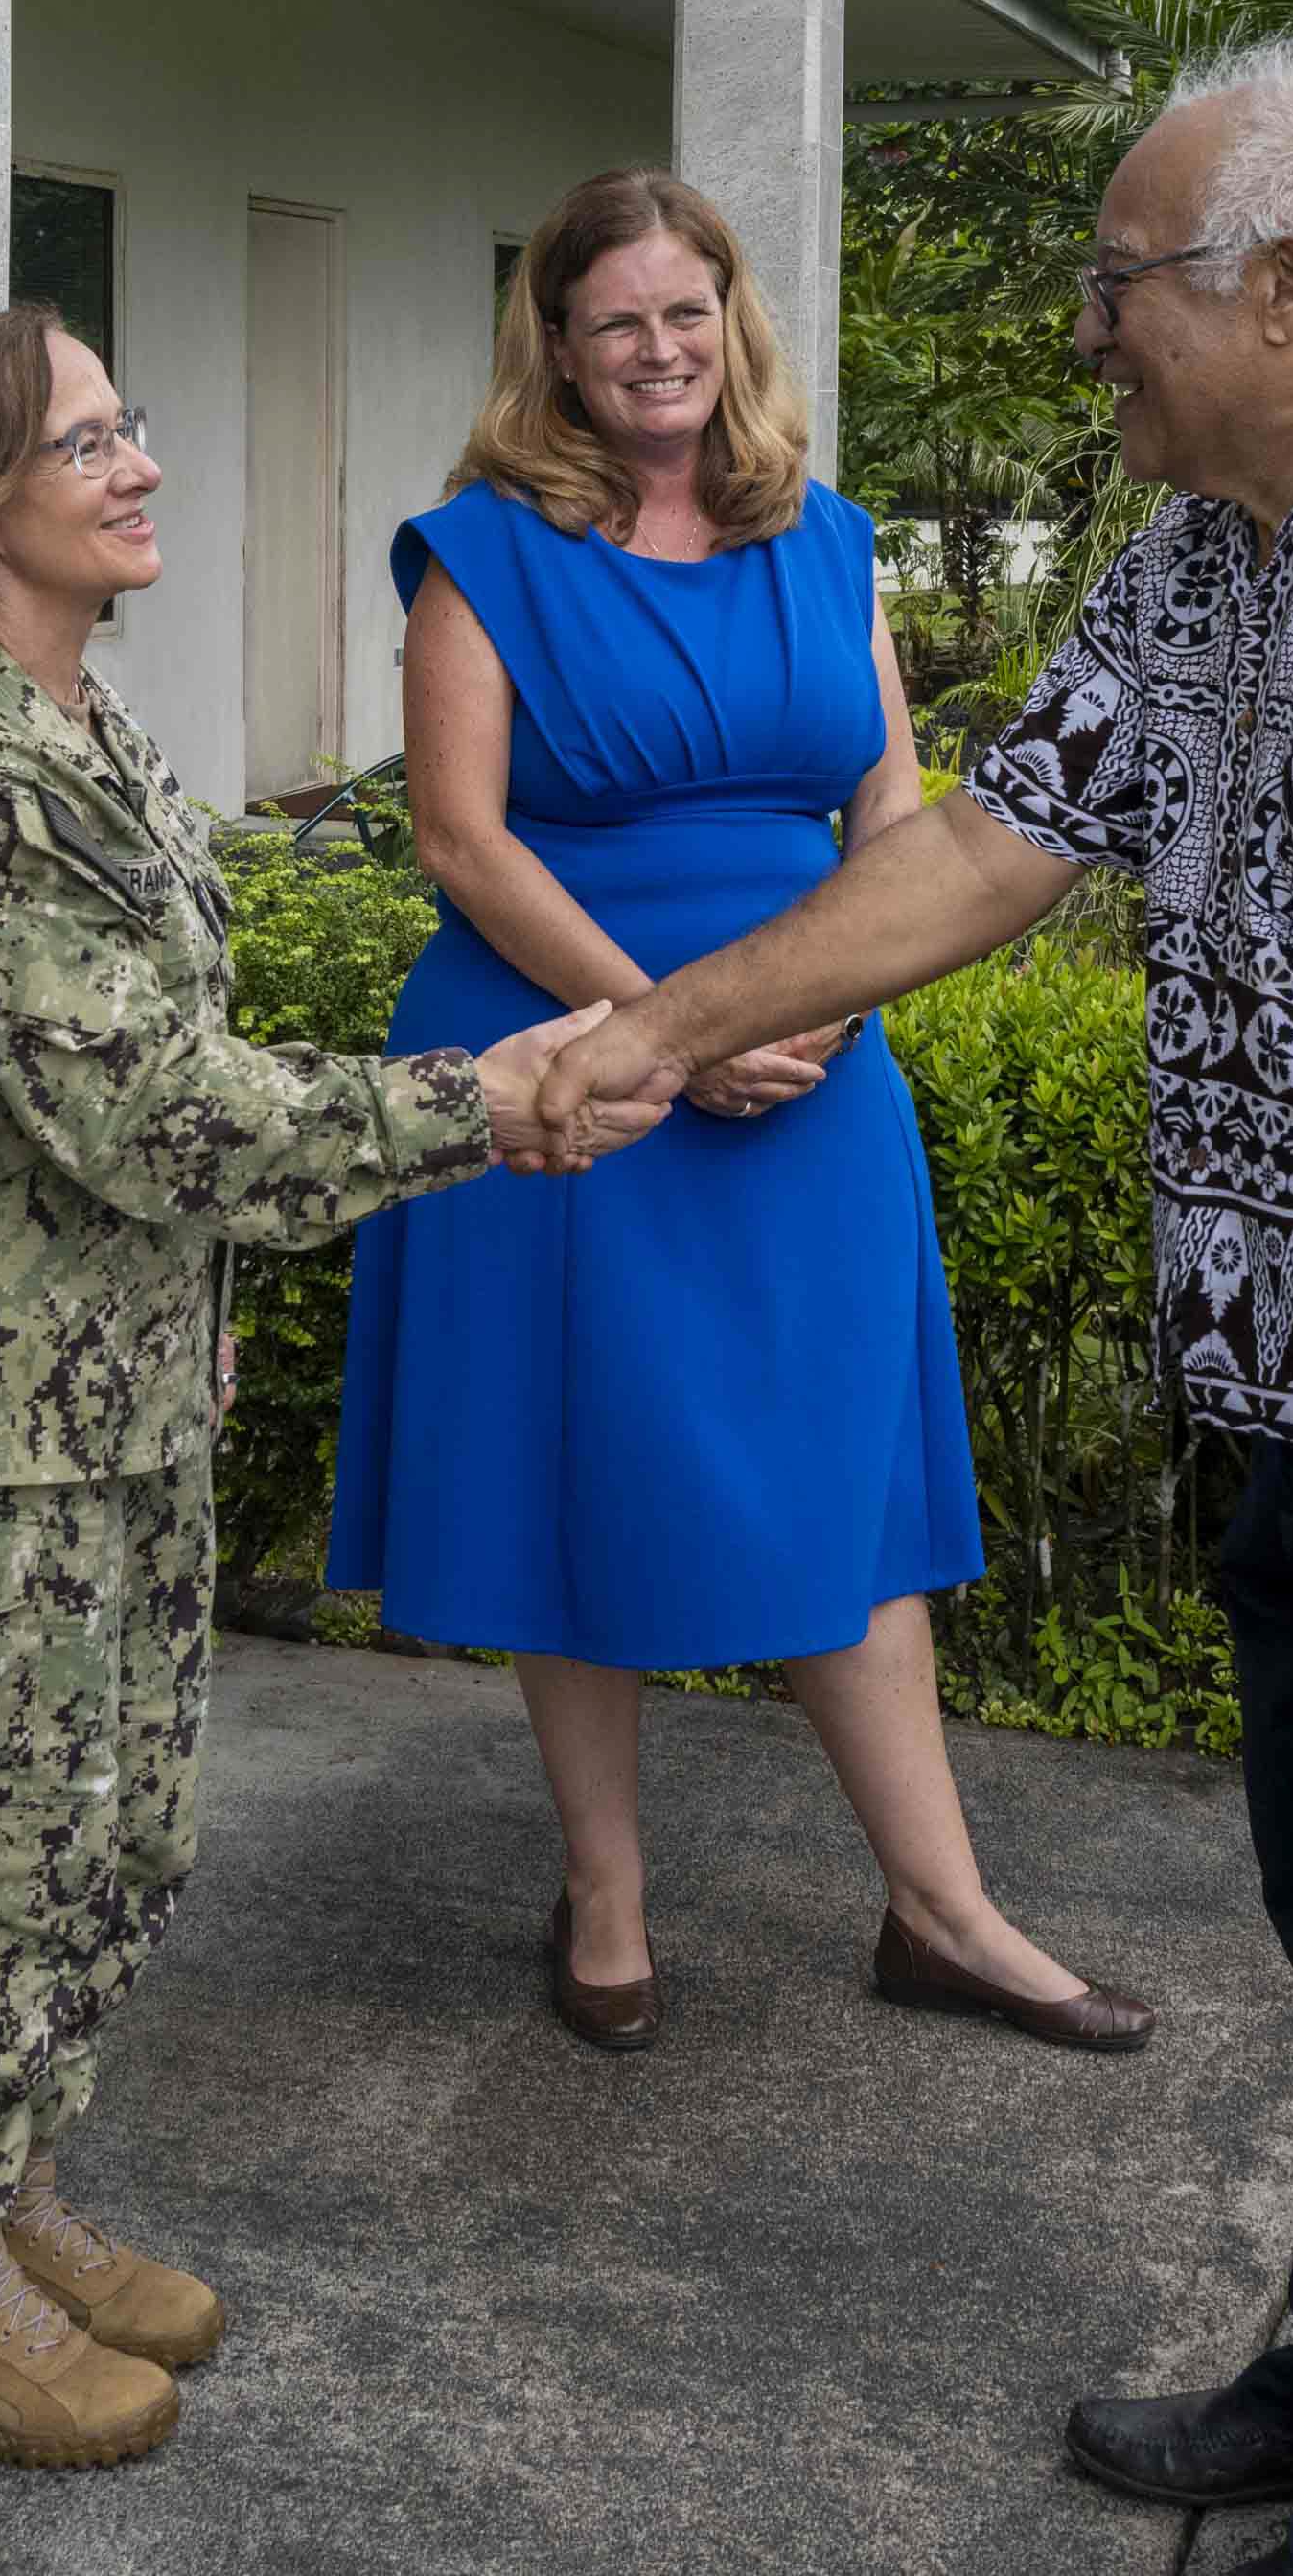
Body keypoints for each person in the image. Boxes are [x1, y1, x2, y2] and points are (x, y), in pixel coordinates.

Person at [505, 50, 1293, 2576]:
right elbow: (996, 844)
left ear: (1291, 290)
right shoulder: (1214, 540)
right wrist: (653, 1028)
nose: (1092, 332)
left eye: (1124, 285)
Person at [0, 302, 656, 2473]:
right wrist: (485, 1098)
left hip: (83, 1388)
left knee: (96, 1822)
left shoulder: (67, 719)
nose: (141, 459)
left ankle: (6, 2196)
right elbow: (155, 1112)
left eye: (130, 419)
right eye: (88, 438)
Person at [335, 170, 1141, 2055]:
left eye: (685, 311)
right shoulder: (478, 550)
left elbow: (896, 815)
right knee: (582, 1465)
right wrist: (660, 1032)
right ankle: (604, 1887)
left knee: (839, 1467)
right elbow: (459, 836)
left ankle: (944, 1908)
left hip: (814, 1078)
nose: (656, 349)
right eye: (614, 320)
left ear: (732, 320)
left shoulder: (829, 537)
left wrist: (833, 1000)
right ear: (554, 346)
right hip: (562, 1063)